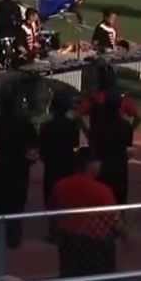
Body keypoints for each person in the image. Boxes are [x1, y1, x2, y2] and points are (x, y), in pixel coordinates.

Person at [50, 148, 124, 277]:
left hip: (68, 241)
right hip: (95, 244)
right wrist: (125, 235)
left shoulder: (60, 185)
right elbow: (114, 220)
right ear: (91, 164)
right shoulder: (102, 190)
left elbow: (54, 210)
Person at [0, 94, 38, 249]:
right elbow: (34, 147)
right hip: (19, 167)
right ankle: (14, 238)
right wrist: (29, 161)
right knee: (17, 203)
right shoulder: (25, 122)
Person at [81, 66, 141, 205]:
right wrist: (130, 130)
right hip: (119, 165)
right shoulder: (125, 122)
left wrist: (87, 132)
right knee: (119, 197)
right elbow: (137, 119)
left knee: (99, 193)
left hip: (99, 156)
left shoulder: (94, 98)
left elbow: (77, 116)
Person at [40, 94, 81, 236]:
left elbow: (42, 150)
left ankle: (53, 231)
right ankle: (66, 230)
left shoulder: (45, 126)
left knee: (51, 198)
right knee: (67, 198)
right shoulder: (73, 125)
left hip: (52, 166)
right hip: (68, 165)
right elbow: (75, 146)